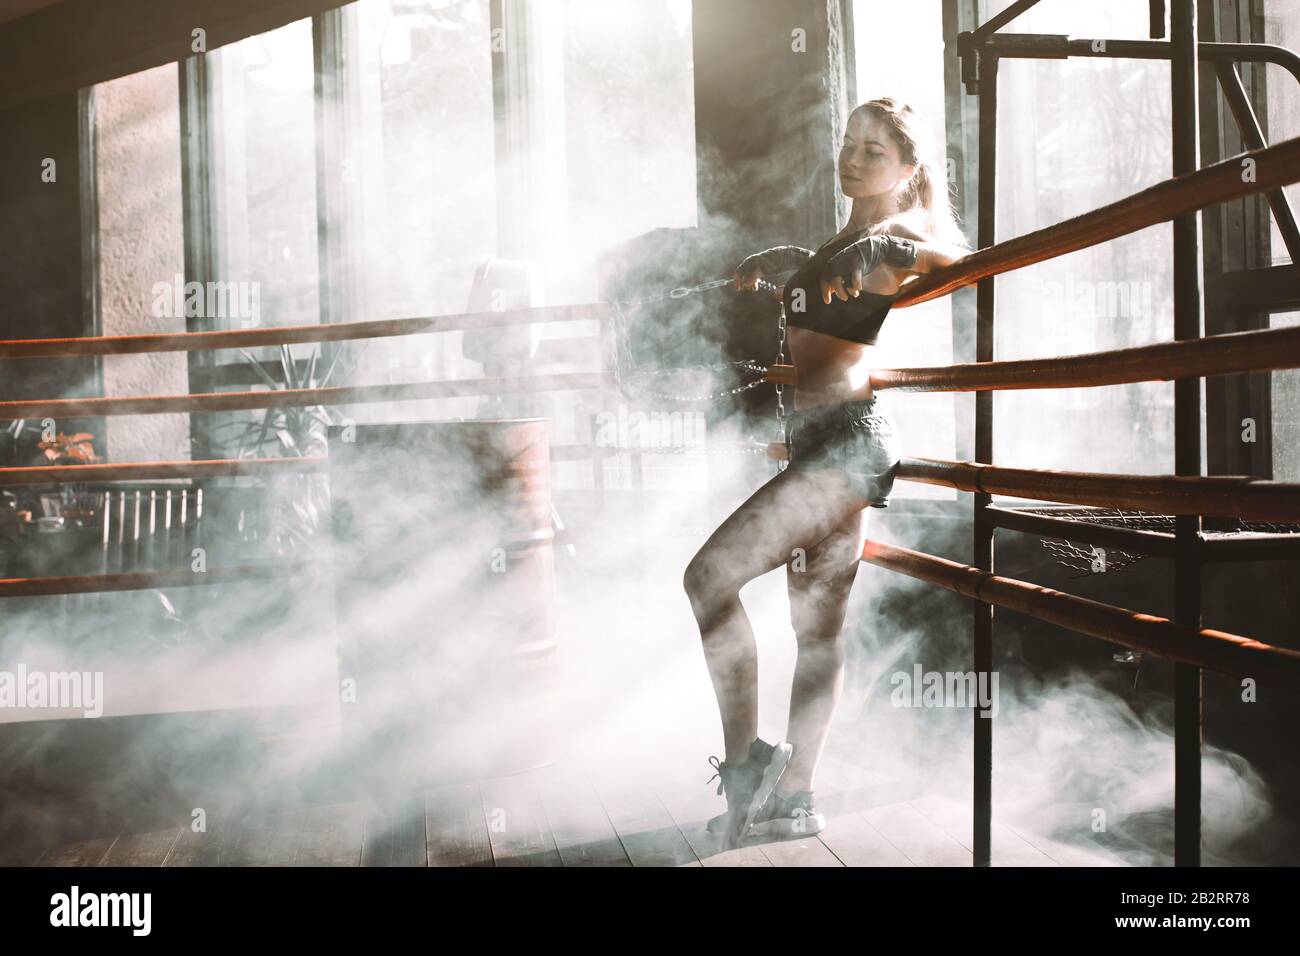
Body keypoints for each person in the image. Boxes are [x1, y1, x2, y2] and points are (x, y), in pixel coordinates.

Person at [686, 97, 972, 847]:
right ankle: (798, 798)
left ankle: (751, 763)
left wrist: (885, 251)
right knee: (815, 632)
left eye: (873, 150)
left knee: (708, 577)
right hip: (822, 444)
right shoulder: (845, 237)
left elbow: (953, 256)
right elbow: (829, 308)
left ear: (908, 167)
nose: (852, 157)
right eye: (848, 143)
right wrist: (802, 270)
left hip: (849, 444)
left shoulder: (894, 231)